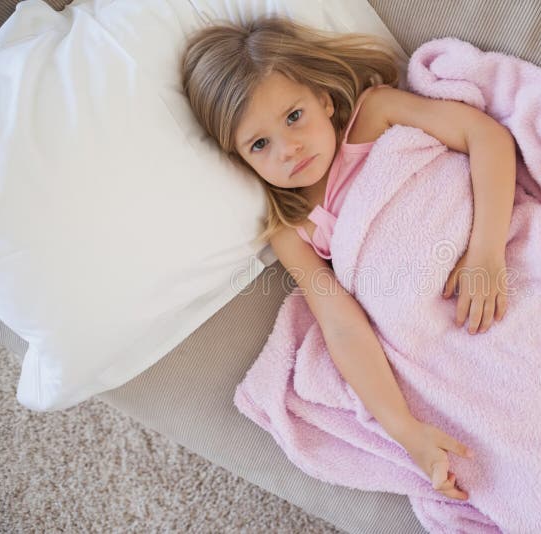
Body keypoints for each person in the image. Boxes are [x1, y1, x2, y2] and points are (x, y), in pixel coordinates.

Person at [181, 15, 516, 502]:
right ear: (241, 161)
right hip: (435, 327)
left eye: (293, 116)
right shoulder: (293, 231)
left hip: (490, 252)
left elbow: (485, 137)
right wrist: (405, 429)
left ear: (323, 97)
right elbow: (341, 325)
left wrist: (487, 249)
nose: (289, 148)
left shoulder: (375, 115)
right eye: (260, 144)